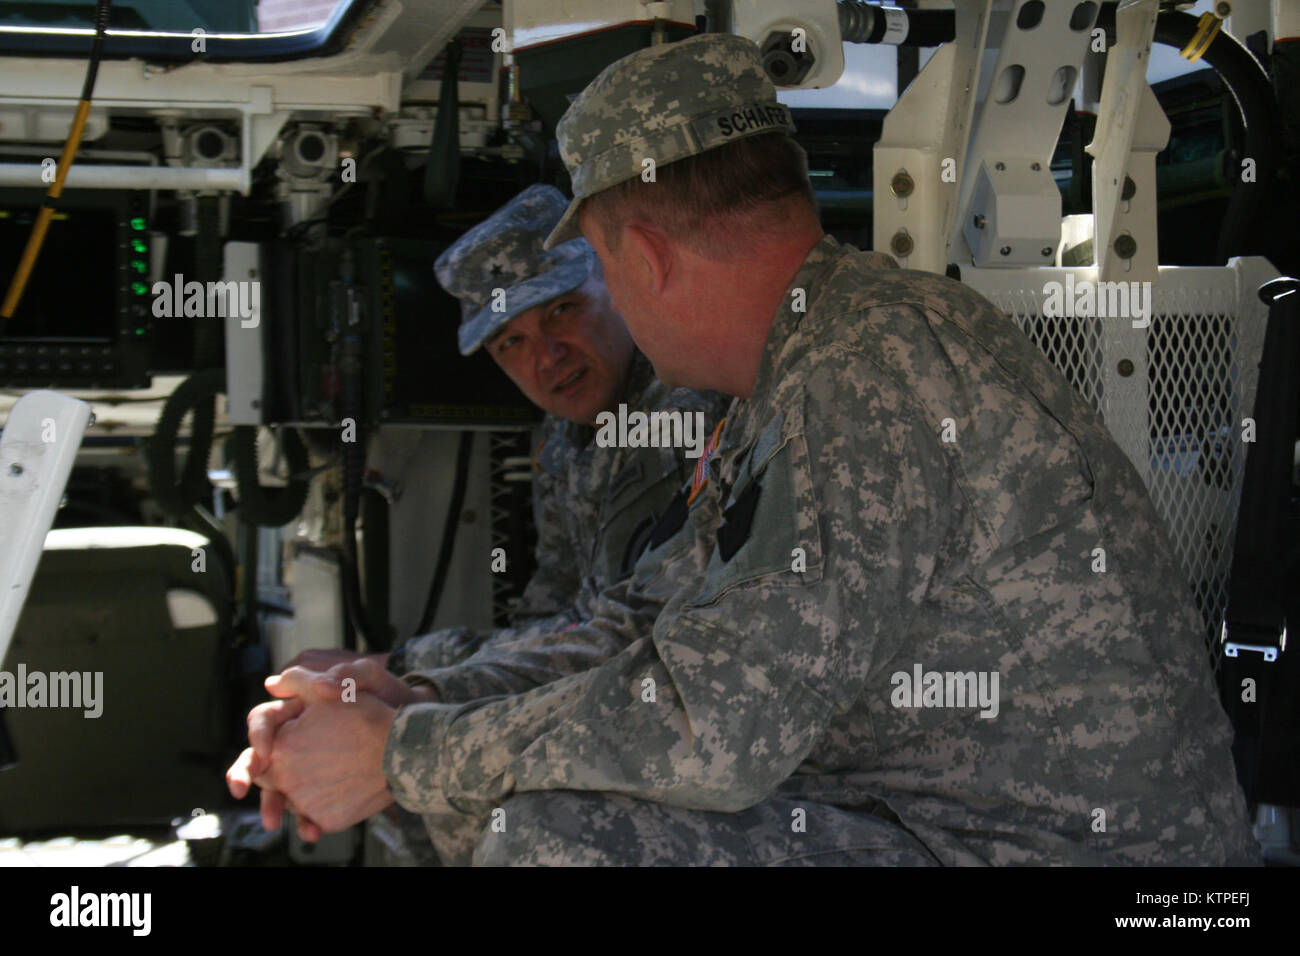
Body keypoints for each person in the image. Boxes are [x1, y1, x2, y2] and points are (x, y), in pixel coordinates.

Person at [238, 34, 1259, 866]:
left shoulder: (869, 366)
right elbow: (646, 631)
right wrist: (413, 697)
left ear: (639, 255)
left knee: (555, 839)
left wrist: (406, 754)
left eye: (593, 265)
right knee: (494, 798)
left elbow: (710, 723)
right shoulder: (803, 362)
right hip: (941, 825)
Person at [226, 183, 726, 853]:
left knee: (453, 796)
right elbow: (552, 624)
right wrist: (396, 674)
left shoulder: (682, 415)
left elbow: (633, 639)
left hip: (699, 716)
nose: (544, 357)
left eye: (562, 311)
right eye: (509, 343)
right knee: (412, 785)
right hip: (616, 697)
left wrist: (407, 689)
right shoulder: (563, 442)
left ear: (618, 284)